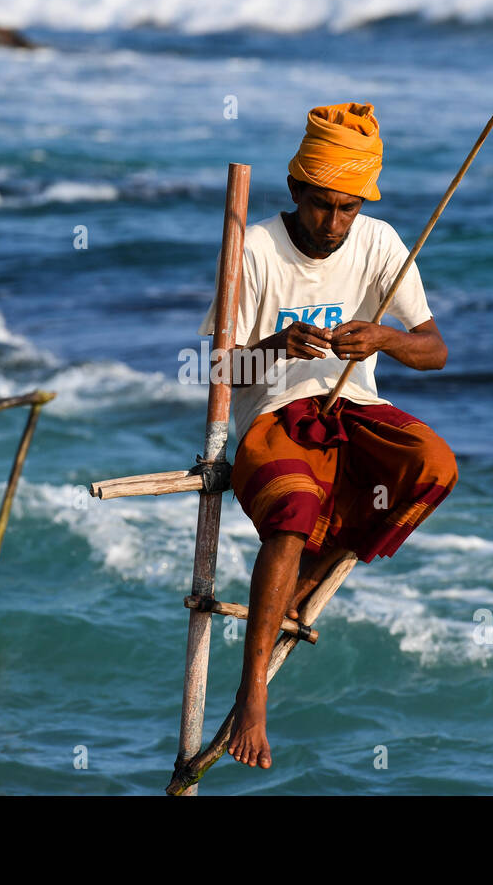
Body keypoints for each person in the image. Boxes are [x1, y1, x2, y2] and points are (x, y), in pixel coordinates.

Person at [197, 102, 458, 770]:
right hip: (273, 414)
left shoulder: (379, 243)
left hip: (355, 405)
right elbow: (216, 370)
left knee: (434, 465)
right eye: (322, 207)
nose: (335, 224)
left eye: (348, 208)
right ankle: (251, 694)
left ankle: (314, 574)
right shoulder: (253, 249)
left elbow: (435, 350)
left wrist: (387, 339)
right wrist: (277, 345)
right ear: (295, 190)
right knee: (292, 510)